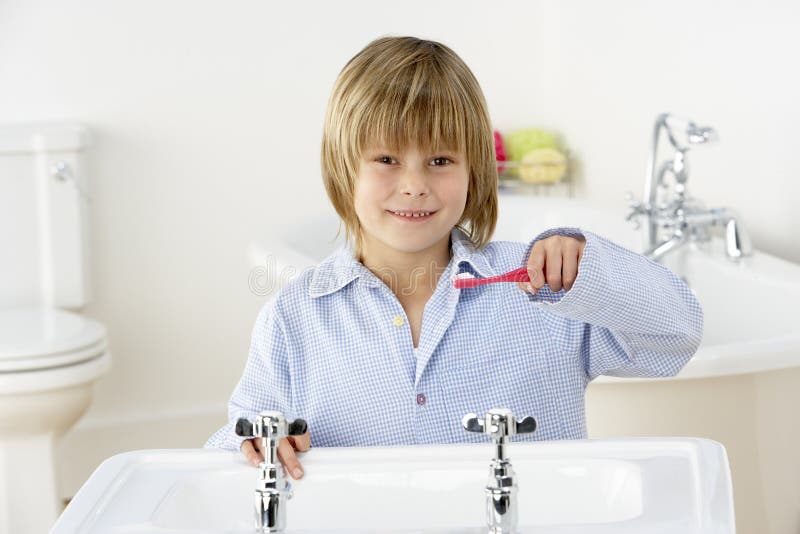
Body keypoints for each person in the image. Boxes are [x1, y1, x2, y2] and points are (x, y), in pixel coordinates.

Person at [205, 36, 703, 482]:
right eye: (387, 159)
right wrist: (254, 447)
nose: (415, 184)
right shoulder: (295, 317)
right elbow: (237, 449)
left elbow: (677, 336)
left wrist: (587, 270)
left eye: (440, 161)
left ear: (474, 171)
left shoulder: (540, 290)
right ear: (343, 167)